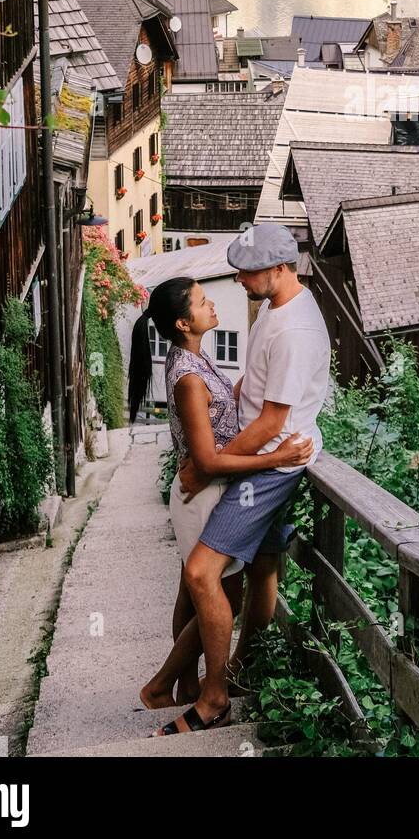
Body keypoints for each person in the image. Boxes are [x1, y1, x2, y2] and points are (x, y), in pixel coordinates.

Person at [157, 224, 332, 736]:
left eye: (247, 269)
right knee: (264, 566)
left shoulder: (294, 329)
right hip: (268, 457)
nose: (237, 278)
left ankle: (213, 698)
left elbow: (273, 423)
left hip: (271, 465)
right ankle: (240, 673)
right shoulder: (277, 309)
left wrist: (206, 464)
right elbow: (254, 385)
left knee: (200, 574)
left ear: (280, 269)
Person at [126, 276, 313, 712]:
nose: (212, 304)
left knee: (191, 594)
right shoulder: (187, 376)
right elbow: (207, 462)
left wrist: (256, 381)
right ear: (183, 322)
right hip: (203, 494)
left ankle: (183, 688)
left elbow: (219, 409)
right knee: (218, 596)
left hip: (201, 493)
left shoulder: (192, 356)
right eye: (202, 301)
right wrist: (276, 457)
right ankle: (169, 687)